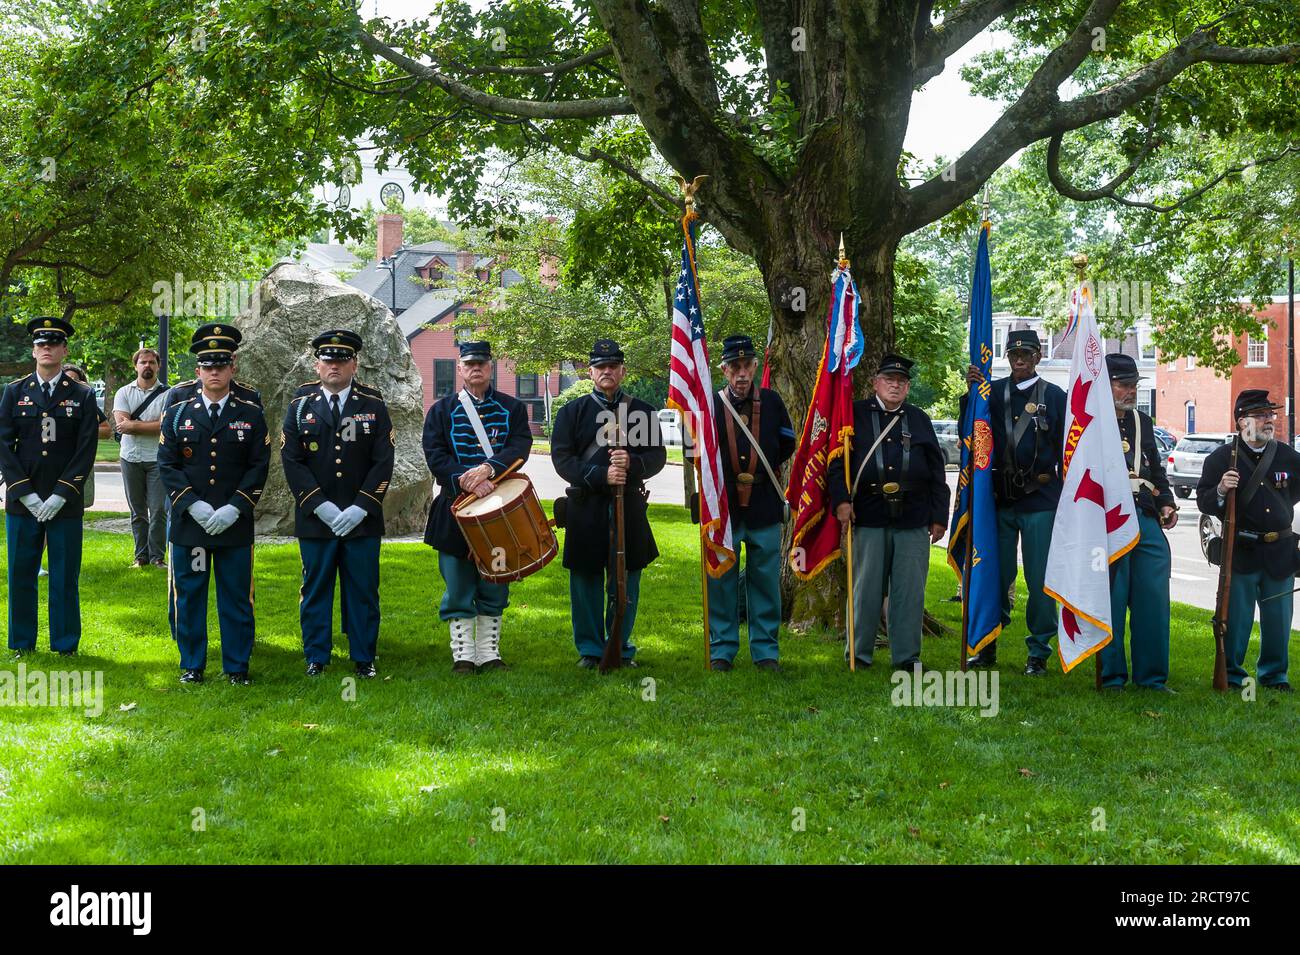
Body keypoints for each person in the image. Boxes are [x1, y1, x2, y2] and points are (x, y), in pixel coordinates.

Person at [157, 330, 270, 684]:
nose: (215, 372)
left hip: (234, 524)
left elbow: (258, 465)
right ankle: (192, 664)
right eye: (208, 366)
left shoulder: (250, 414)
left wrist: (236, 507)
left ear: (232, 368)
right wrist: (193, 506)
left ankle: (237, 666)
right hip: (192, 525)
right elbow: (168, 465)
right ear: (198, 372)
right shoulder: (177, 414)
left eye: (221, 365)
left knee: (236, 596)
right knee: (189, 596)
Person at [282, 329, 394, 678]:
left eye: (342, 359)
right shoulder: (300, 406)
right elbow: (292, 460)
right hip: (317, 518)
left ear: (354, 365)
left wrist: (362, 506)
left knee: (362, 588)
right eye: (328, 360)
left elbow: (383, 459)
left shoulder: (373, 405)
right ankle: (317, 655)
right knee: (315, 588)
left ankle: (364, 657)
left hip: (361, 519)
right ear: (317, 366)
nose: (334, 365)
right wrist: (321, 506)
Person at [552, 339, 667, 668]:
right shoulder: (572, 413)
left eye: (613, 367)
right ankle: (590, 649)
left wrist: (632, 464)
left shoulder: (642, 412)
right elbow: (563, 459)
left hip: (628, 505)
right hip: (586, 505)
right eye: (600, 367)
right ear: (590, 372)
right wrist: (601, 475)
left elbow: (657, 456)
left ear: (622, 371)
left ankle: (621, 644)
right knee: (585, 579)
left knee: (627, 576)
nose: (607, 372)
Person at [830, 353, 948, 670]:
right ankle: (858, 653)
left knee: (908, 592)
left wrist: (939, 516)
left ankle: (907, 657)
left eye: (901, 382)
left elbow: (937, 471)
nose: (894, 386)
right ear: (876, 383)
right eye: (889, 380)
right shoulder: (853, 415)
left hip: (913, 518)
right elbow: (836, 463)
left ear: (907, 387)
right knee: (865, 590)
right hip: (869, 515)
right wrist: (841, 501)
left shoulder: (919, 419)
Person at [421, 341, 532, 673]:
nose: (476, 368)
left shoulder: (512, 409)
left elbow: (519, 446)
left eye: (481, 363)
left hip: (499, 508)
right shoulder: (440, 412)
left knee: (495, 582)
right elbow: (435, 454)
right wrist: (466, 479)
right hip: (455, 509)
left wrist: (489, 471)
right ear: (460, 368)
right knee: (457, 584)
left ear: (491, 366)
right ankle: (464, 655)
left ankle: (488, 653)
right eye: (469, 363)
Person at [964, 329, 1066, 674]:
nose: (1019, 360)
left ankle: (1039, 649)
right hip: (1001, 500)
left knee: (1039, 581)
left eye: (1026, 354)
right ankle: (987, 642)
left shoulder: (1055, 396)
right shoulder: (992, 394)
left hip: (1040, 499)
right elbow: (973, 427)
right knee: (994, 574)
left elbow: (1068, 449)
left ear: (1038, 357)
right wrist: (971, 391)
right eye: (1013, 355)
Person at [0, 317, 99, 657]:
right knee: (22, 574)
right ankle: (22, 643)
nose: (47, 349)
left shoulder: (83, 396)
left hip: (65, 502)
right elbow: (3, 445)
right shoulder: (14, 392)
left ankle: (65, 644)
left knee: (64, 574)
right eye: (41, 344)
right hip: (22, 502)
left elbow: (85, 450)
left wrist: (60, 494)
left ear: (64, 350)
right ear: (33, 350)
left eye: (53, 344)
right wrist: (24, 492)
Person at [1196, 389, 1298, 692]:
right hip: (1240, 550)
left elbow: (1294, 495)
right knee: (1237, 620)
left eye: (1271, 414)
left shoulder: (1287, 456)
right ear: (1242, 421)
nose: (1269, 420)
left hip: (1280, 549)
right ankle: (1234, 675)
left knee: (1279, 621)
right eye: (1261, 415)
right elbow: (1204, 502)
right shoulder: (1220, 459)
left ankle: (1274, 676)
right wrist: (1220, 491)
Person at [707, 334, 796, 672]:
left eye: (746, 366)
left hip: (763, 503)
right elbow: (696, 451)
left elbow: (785, 444)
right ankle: (722, 649)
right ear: (725, 370)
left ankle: (765, 651)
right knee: (722, 580)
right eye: (734, 367)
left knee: (764, 581)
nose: (741, 373)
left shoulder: (772, 402)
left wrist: (757, 469)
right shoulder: (712, 404)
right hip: (725, 507)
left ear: (755, 366)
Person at [1100, 354, 1177, 692]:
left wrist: (1167, 503)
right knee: (1113, 598)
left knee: (1153, 600)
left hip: (1143, 513)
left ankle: (1152, 677)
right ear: (1106, 385)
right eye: (1124, 384)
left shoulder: (1143, 421)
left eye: (1134, 384)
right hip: (1107, 517)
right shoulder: (1088, 422)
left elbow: (1156, 469)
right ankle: (1112, 675)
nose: (1131, 390)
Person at [112, 348, 168, 567]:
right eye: (143, 362)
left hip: (157, 459)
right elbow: (121, 426)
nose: (147, 366)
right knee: (137, 512)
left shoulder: (168, 394)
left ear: (158, 366)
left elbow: (165, 427)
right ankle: (140, 557)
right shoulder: (123, 393)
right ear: (135, 366)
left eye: (151, 362)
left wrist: (134, 425)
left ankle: (157, 558)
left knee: (158, 511)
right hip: (130, 458)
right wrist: (149, 426)